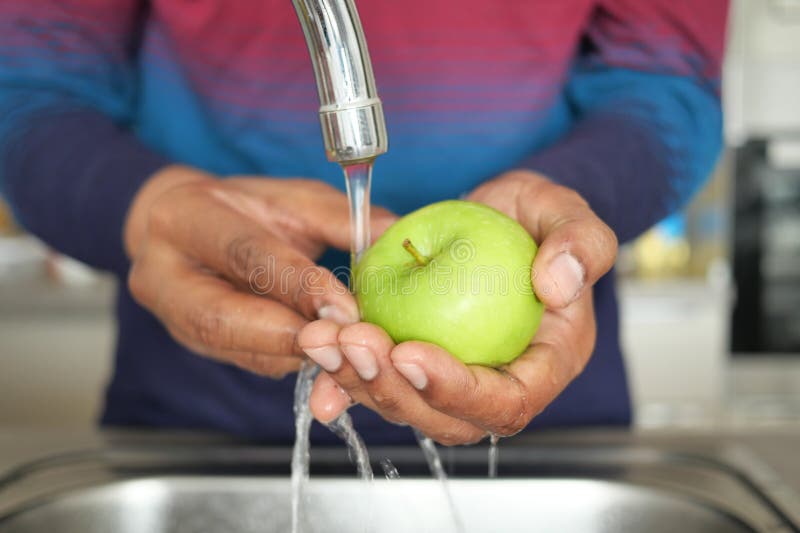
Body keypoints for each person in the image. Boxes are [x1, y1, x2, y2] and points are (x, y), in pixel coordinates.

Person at [0, 1, 728, 445]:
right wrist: (146, 205)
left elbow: (665, 78)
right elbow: (31, 85)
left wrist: (576, 200)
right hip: (195, 408)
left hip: (548, 403)